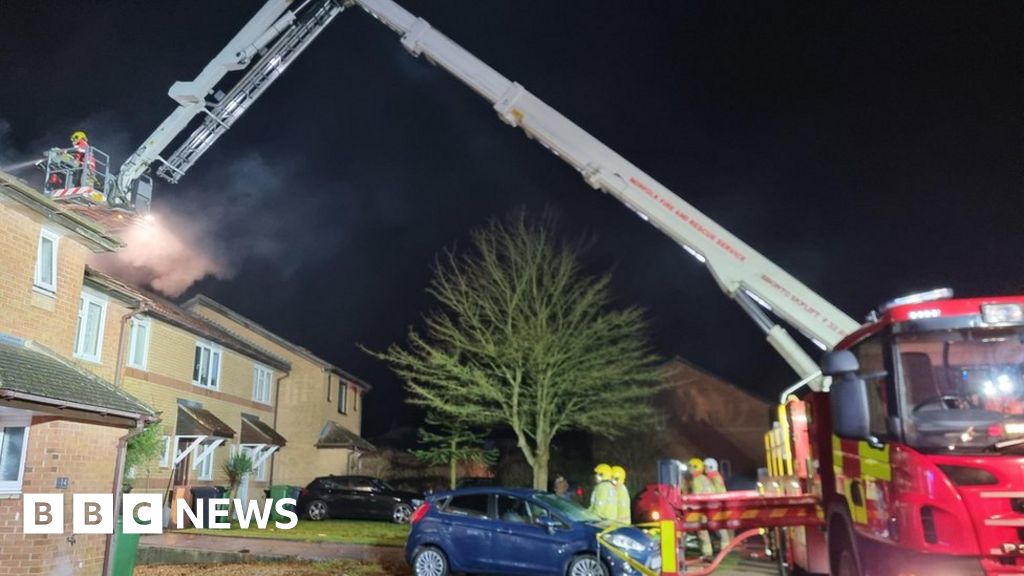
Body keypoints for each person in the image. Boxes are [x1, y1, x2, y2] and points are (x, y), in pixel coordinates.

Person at [689, 457, 716, 560]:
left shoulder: (696, 480)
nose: (690, 470)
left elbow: (696, 496)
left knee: (702, 531)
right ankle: (708, 552)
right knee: (705, 530)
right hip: (710, 508)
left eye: (691, 467)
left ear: (696, 467)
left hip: (702, 509)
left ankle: (707, 553)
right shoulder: (704, 478)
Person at [704, 458, 732, 549]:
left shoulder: (714, 477)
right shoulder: (713, 476)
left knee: (719, 525)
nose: (705, 469)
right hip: (716, 503)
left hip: (716, 504)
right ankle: (724, 545)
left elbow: (718, 491)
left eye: (706, 467)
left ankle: (725, 546)